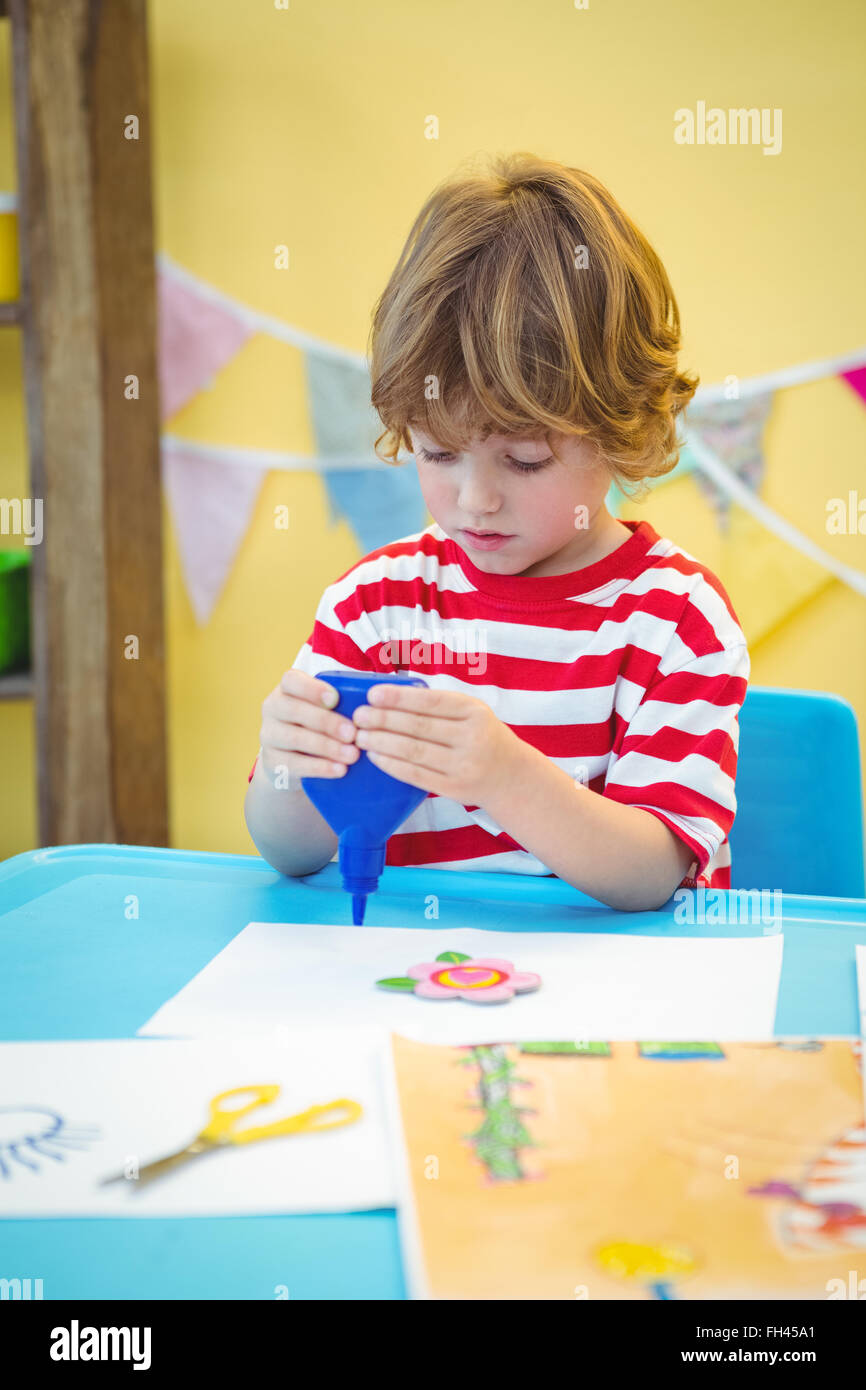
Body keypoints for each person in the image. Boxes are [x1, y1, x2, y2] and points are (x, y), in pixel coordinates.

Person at [244, 152, 749, 911]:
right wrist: (286, 762)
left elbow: (651, 874)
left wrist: (505, 776)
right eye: (439, 453)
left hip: (605, 1005)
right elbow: (291, 852)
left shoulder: (675, 619)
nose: (475, 500)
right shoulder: (374, 606)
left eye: (524, 459)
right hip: (410, 995)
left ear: (619, 429)